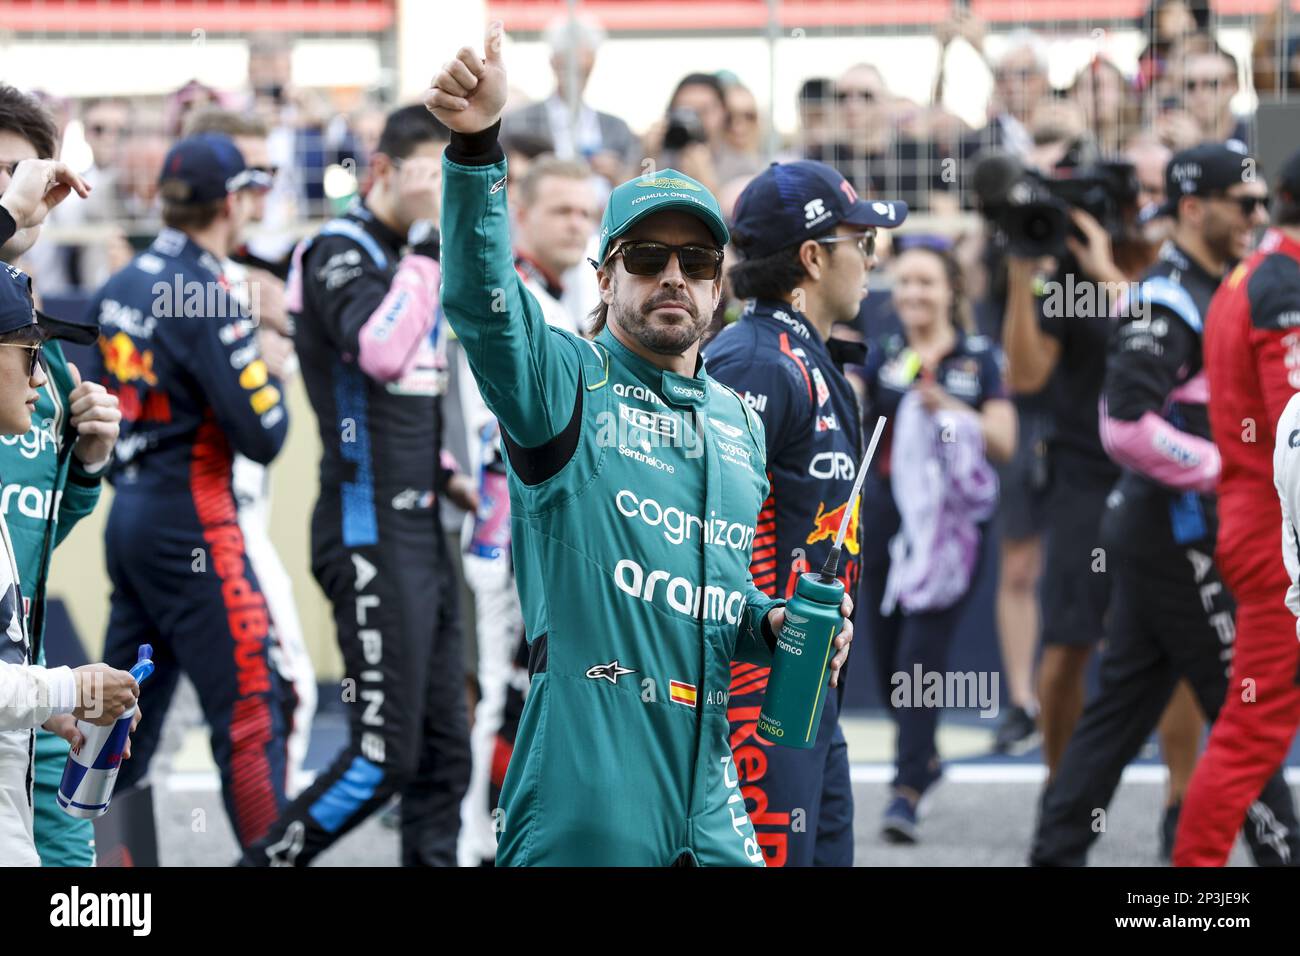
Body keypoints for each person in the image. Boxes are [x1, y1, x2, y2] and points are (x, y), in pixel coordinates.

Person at [426, 22, 854, 866]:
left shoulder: (737, 421)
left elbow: (712, 612)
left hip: (708, 788)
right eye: (648, 256)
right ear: (606, 275)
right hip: (589, 789)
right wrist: (477, 147)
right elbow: (482, 301)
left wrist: (771, 624)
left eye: (695, 260)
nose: (673, 277)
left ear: (719, 282)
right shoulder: (564, 382)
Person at [1030, 142, 1300, 866]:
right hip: (1175, 533)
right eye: (1242, 204)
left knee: (1118, 715)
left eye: (1261, 203)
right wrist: (1226, 467)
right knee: (1248, 715)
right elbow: (1122, 423)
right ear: (1193, 207)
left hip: (1172, 534)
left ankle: (1053, 856)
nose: (1256, 215)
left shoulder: (1230, 284)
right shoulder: (1170, 294)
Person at [241, 105, 475, 867]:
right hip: (368, 533)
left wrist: (443, 473)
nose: (445, 190)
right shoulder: (339, 248)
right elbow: (379, 351)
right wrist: (428, 248)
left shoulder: (408, 255)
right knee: (382, 759)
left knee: (446, 753)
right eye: (430, 174)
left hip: (422, 527)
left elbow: (403, 393)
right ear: (384, 170)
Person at [84, 132, 295, 854]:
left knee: (121, 719)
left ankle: (104, 888)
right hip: (195, 522)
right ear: (231, 201)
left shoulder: (122, 281)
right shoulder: (212, 289)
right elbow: (265, 434)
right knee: (249, 716)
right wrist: (272, 360)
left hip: (129, 518)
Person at [703, 160, 906, 866]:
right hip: (762, 692)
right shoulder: (755, 361)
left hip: (807, 686)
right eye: (864, 243)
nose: (872, 260)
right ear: (815, 258)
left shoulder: (805, 354)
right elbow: (706, 529)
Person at [457, 156, 597, 866]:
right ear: (522, 215)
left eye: (586, 213)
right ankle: (480, 847)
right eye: (562, 211)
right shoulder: (513, 296)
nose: (577, 224)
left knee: (538, 693)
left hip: (548, 530)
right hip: (508, 532)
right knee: (505, 697)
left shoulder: (563, 294)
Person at [0, 86, 125, 868]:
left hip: (29, 688)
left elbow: (34, 530)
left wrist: (86, 469)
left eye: (22, 170)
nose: (15, 189)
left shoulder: (40, 365)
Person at [861, 241, 1015, 841]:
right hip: (886, 522)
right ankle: (924, 758)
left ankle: (907, 787)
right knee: (888, 652)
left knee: (918, 657)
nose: (914, 295)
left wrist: (948, 407)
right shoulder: (883, 356)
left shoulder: (978, 359)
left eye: (926, 283)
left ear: (952, 288)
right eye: (903, 284)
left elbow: (1004, 440)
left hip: (952, 535)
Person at [181, 107, 315, 790]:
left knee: (128, 709)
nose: (258, 188)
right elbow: (260, 431)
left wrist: (277, 337)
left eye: (268, 172)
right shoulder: (188, 284)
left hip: (214, 520)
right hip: (212, 523)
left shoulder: (249, 278)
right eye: (246, 172)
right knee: (287, 693)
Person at [1176, 148, 1300, 866]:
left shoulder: (1250, 277)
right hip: (1278, 544)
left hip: (1258, 527)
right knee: (1250, 735)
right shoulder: (1279, 286)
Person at [500, 14, 640, 187]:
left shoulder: (617, 129)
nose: (575, 77)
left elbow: (636, 184)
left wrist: (617, 175)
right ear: (553, 62)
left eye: (582, 71)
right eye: (567, 67)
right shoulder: (518, 122)